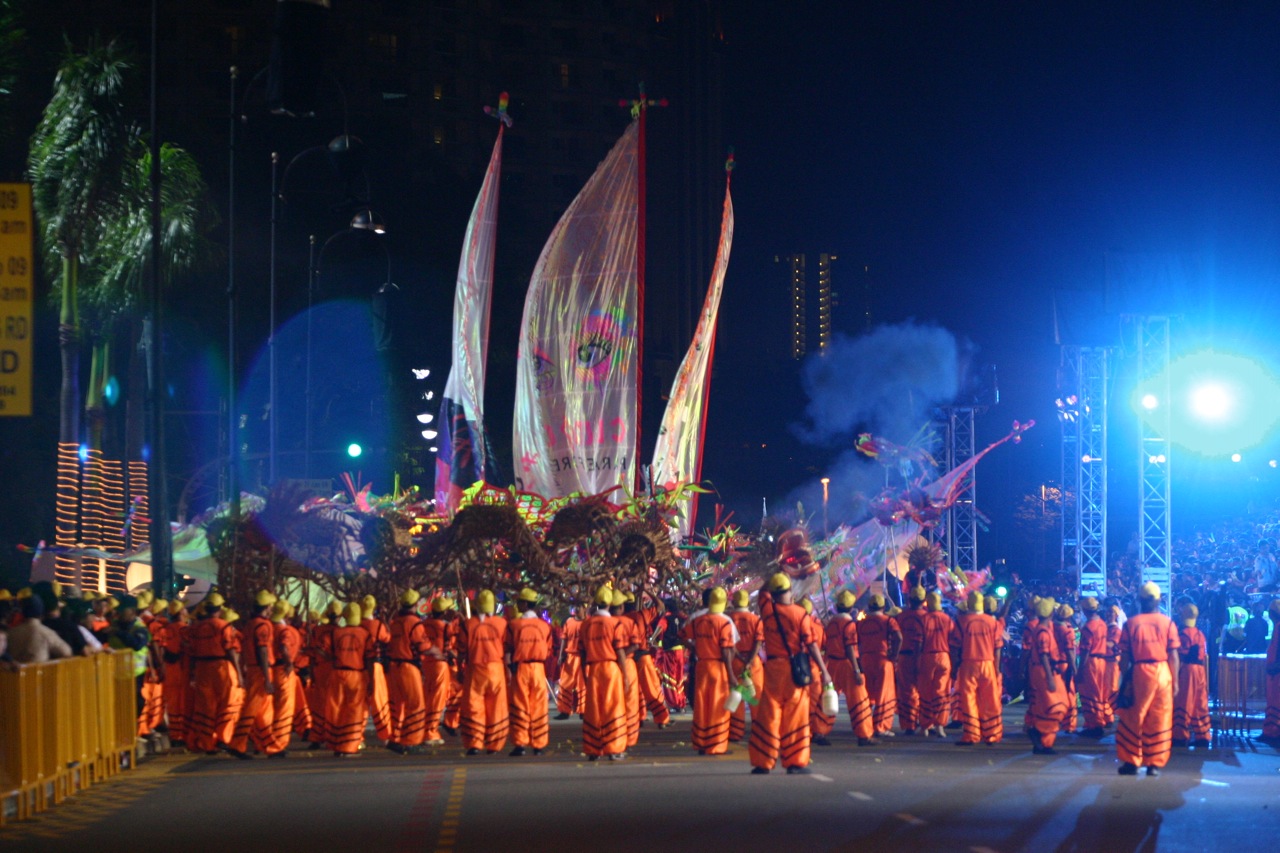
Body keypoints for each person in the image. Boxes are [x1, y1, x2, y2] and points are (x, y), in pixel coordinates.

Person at [748, 572, 833, 775]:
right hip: (794, 672)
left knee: (769, 716)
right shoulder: (800, 614)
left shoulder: (767, 610)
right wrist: (823, 670)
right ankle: (795, 762)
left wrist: (776, 572)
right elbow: (811, 645)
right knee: (796, 717)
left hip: (773, 671)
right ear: (790, 591)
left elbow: (762, 591)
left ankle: (763, 761)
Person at [1116, 582, 1180, 776]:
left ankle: (1132, 761)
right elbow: (1174, 656)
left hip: (1140, 673)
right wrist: (1175, 682)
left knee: (1133, 717)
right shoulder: (1168, 623)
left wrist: (1124, 680)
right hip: (1163, 672)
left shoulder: (1130, 624)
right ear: (1159, 600)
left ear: (1140, 600)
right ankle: (1154, 764)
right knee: (1160, 718)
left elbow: (1124, 657)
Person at [186, 594, 246, 755]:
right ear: (219, 609)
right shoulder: (224, 627)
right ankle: (223, 738)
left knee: (205, 706)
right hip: (221, 667)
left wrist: (192, 673)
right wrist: (239, 673)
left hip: (201, 668)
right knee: (228, 703)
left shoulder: (195, 628)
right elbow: (230, 650)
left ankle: (207, 743)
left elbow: (191, 651)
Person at [580, 584, 630, 761]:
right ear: (610, 603)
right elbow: (620, 651)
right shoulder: (614, 624)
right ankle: (614, 748)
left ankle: (594, 749)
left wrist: (584, 675)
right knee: (613, 709)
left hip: (593, 669)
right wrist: (625, 675)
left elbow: (582, 653)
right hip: (611, 669)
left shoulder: (586, 625)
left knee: (594, 710)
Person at [228, 590, 279, 759]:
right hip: (259, 670)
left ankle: (270, 745)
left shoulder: (250, 624)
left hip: (252, 668)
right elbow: (263, 651)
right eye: (270, 606)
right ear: (266, 607)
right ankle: (238, 743)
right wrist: (267, 677)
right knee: (251, 709)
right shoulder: (263, 626)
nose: (272, 609)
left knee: (261, 711)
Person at [686, 586, 737, 755]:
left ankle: (701, 742)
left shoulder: (697, 620)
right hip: (718, 668)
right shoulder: (724, 622)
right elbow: (726, 651)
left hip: (701, 666)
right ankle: (716, 745)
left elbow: (683, 635)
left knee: (701, 705)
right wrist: (731, 675)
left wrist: (696, 648)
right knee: (718, 706)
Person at [458, 589, 509, 755]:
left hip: (475, 669)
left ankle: (475, 743)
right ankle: (494, 744)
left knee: (474, 707)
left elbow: (461, 649)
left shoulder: (468, 625)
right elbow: (507, 648)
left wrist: (460, 669)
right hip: (496, 669)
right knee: (496, 707)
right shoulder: (501, 624)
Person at [951, 591, 1003, 745]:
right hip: (988, 663)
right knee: (990, 700)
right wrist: (996, 668)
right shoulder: (993, 622)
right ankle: (992, 734)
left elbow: (955, 647)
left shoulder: (961, 621)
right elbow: (998, 648)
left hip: (968, 664)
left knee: (969, 700)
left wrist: (954, 667)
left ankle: (972, 735)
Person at [826, 590, 877, 746]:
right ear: (851, 607)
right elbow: (849, 647)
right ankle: (864, 735)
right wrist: (856, 670)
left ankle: (819, 731)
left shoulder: (830, 623)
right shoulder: (849, 624)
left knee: (827, 699)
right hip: (847, 665)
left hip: (832, 664)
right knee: (859, 701)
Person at [323, 603, 373, 757]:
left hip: (337, 673)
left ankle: (336, 743)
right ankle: (349, 745)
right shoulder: (365, 634)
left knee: (336, 709)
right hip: (357, 675)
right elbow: (369, 658)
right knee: (354, 710)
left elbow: (326, 653)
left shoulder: (335, 633)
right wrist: (371, 679)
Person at [507, 587, 552, 757]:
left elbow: (509, 648)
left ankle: (520, 744)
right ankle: (538, 745)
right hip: (539, 669)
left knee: (520, 706)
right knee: (540, 706)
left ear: (525, 604)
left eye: (519, 602)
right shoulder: (544, 626)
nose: (517, 605)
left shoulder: (514, 625)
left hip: (521, 668)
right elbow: (548, 650)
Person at [385, 590, 432, 754]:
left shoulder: (395, 622)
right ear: (415, 604)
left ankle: (395, 739)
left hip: (394, 667)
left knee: (397, 705)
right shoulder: (414, 623)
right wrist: (436, 652)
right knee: (415, 705)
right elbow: (422, 646)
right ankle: (411, 741)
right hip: (409, 667)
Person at [1025, 597, 1068, 755]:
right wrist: (1050, 677)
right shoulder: (1042, 632)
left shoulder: (1042, 628)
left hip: (1045, 670)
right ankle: (1039, 733)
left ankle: (1042, 742)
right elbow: (1043, 656)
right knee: (1055, 706)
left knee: (1047, 707)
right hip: (1045, 671)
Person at [623, 591, 672, 729]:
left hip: (628, 659)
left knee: (633, 692)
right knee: (652, 689)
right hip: (643, 656)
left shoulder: (620, 618)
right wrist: (648, 590)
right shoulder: (642, 615)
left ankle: (636, 718)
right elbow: (660, 606)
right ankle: (662, 718)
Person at [858, 593, 902, 736]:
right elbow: (899, 637)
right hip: (883, 660)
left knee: (868, 695)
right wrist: (894, 655)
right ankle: (881, 727)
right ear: (883, 607)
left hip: (866, 660)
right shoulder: (888, 621)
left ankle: (865, 725)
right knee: (885, 695)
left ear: (870, 607)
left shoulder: (861, 623)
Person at [269, 599, 305, 757]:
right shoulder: (285, 630)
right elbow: (284, 646)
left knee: (274, 707)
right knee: (284, 709)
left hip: (272, 670)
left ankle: (268, 740)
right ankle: (278, 743)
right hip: (283, 669)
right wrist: (289, 662)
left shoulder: (268, 627)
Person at [728, 589, 764, 743]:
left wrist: (739, 657)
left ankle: (736, 733)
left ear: (733, 602)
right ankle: (759, 731)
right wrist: (749, 661)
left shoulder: (728, 619)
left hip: (734, 661)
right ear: (748, 602)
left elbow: (728, 643)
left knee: (737, 698)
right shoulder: (756, 620)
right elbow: (758, 641)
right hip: (753, 662)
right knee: (756, 696)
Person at [1172, 603, 1210, 748]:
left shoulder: (1183, 634)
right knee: (1200, 702)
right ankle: (1203, 735)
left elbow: (1180, 655)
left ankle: (1180, 735)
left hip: (1188, 670)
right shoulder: (1200, 634)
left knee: (1184, 702)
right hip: (1200, 670)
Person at [917, 591, 954, 737]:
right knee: (942, 693)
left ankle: (925, 727)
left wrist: (917, 661)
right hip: (944, 657)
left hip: (927, 657)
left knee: (925, 693)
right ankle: (940, 726)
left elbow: (919, 642)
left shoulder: (923, 619)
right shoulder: (947, 619)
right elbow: (953, 640)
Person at [422, 597, 457, 746]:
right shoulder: (445, 627)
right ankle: (431, 732)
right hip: (439, 666)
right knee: (437, 700)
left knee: (427, 699)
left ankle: (424, 729)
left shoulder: (423, 624)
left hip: (425, 666)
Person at [359, 595, 394, 744]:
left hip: (359, 669)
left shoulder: (357, 626)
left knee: (359, 704)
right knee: (380, 702)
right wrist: (385, 620)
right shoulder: (377, 626)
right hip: (376, 666)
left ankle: (357, 737)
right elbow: (387, 639)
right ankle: (386, 735)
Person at [610, 589, 642, 748]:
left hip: (609, 666)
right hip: (628, 664)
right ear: (621, 607)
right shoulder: (630, 623)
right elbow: (636, 644)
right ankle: (629, 738)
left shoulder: (605, 623)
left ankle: (614, 736)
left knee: (613, 703)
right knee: (630, 702)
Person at [802, 598, 835, 745]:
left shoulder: (792, 623)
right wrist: (824, 668)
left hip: (796, 668)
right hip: (814, 669)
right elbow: (825, 649)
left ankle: (803, 732)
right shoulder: (819, 627)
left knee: (801, 702)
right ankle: (817, 732)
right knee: (816, 702)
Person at [895, 586, 927, 735]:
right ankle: (925, 722)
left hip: (904, 657)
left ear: (909, 600)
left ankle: (910, 724)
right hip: (924, 657)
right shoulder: (927, 617)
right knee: (925, 690)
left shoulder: (901, 617)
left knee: (907, 692)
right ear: (924, 601)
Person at [1075, 597, 1109, 738]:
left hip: (1091, 663)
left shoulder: (1088, 627)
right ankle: (1099, 721)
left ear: (1084, 610)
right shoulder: (1102, 624)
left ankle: (1094, 725)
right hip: (1102, 662)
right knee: (1100, 693)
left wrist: (1080, 670)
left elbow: (1085, 650)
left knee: (1090, 695)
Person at [6, 595, 73, 663]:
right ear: (41, 613)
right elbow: (66, 652)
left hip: (12, 672)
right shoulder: (46, 633)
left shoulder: (11, 632)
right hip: (38, 672)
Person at [553, 603, 585, 720]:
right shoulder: (569, 622)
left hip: (582, 658)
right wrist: (561, 655)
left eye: (579, 606)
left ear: (584, 608)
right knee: (565, 684)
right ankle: (564, 711)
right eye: (575, 607)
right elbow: (564, 638)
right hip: (570, 657)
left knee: (583, 686)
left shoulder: (587, 623)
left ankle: (584, 711)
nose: (577, 609)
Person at [1052, 604, 1079, 734]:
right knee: (1070, 694)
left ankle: (1056, 721)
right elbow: (1069, 651)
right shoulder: (1067, 631)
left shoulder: (1051, 627)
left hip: (1054, 665)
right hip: (1065, 664)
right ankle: (1069, 724)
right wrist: (1074, 668)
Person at [1261, 599, 1280, 744]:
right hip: (1275, 670)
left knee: (1274, 702)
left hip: (1275, 672)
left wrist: (1274, 667)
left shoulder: (1279, 627)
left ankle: (1271, 732)